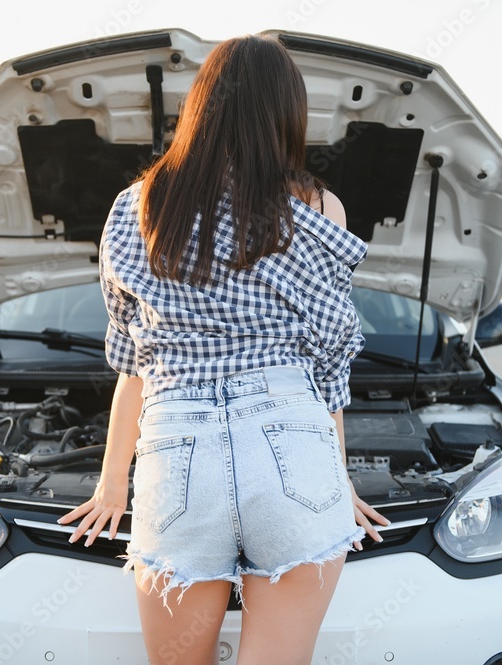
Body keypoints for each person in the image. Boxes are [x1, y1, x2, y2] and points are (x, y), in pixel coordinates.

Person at [57, 34, 389, 665]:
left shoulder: (138, 206)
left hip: (177, 448)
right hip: (292, 442)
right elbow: (328, 364)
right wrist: (336, 479)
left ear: (201, 106)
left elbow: (133, 363)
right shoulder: (318, 208)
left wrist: (112, 487)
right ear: (287, 114)